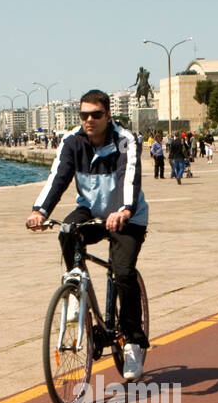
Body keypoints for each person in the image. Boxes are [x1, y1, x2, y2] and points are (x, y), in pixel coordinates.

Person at [25, 89, 149, 381]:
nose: (89, 120)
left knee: (123, 272)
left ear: (108, 115)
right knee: (67, 230)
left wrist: (124, 210)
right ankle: (77, 288)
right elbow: (58, 177)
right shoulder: (72, 141)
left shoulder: (125, 140)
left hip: (127, 216)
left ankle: (132, 341)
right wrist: (40, 211)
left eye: (96, 115)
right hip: (92, 212)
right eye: (84, 115)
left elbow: (128, 178)